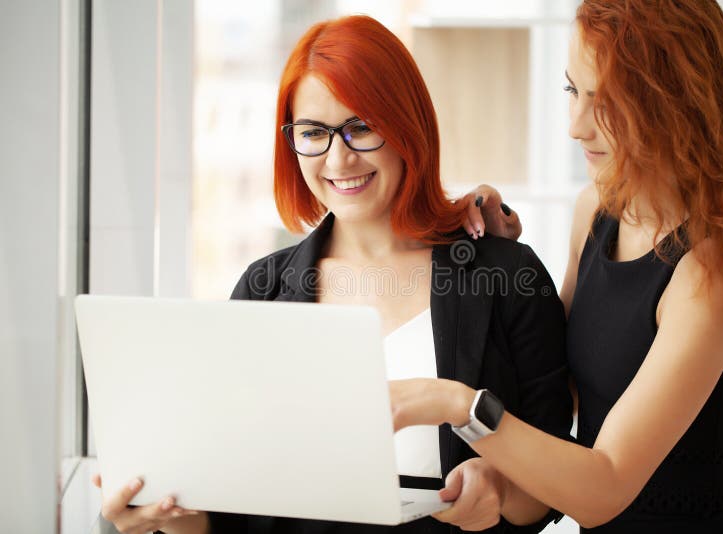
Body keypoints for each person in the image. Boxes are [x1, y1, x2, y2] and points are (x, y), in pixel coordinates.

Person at [92, 15, 574, 534]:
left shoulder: (507, 277)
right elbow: (235, 515)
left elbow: (555, 487)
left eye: (361, 127)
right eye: (314, 133)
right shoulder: (263, 291)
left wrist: (499, 491)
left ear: (407, 124)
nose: (339, 159)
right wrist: (172, 519)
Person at [392, 1, 723, 533]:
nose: (575, 127)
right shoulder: (598, 211)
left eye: (606, 100)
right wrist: (503, 259)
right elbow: (556, 384)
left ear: (677, 103)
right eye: (572, 91)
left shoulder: (713, 272)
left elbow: (604, 486)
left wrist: (451, 402)